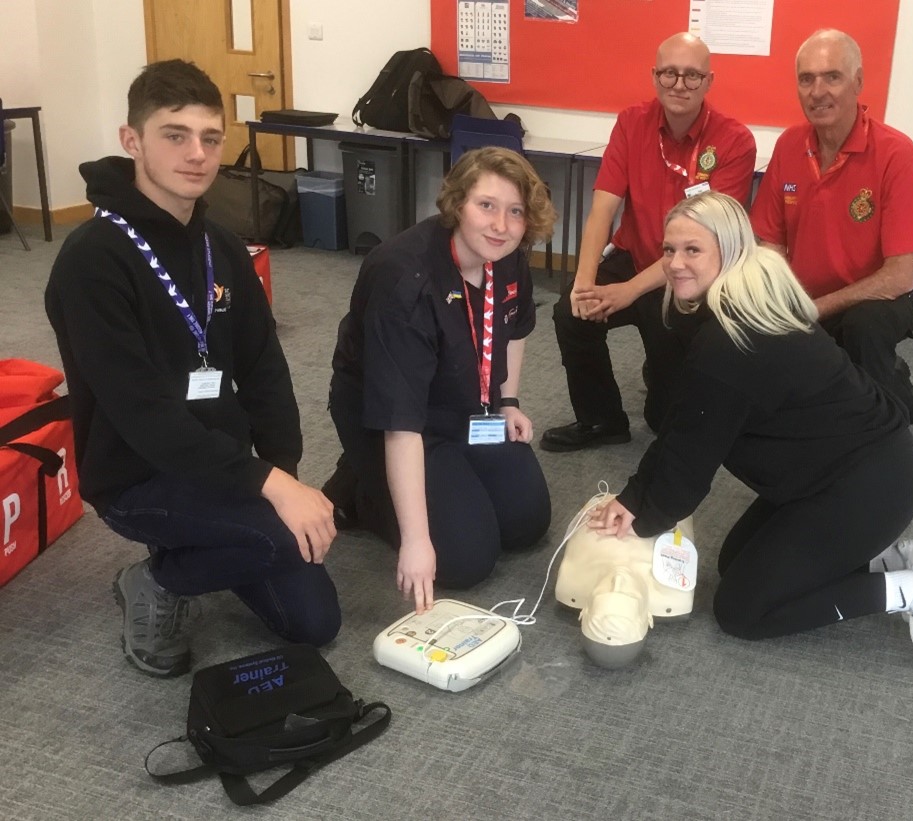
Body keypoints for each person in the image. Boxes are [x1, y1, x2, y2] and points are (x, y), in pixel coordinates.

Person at [45, 60, 340, 678]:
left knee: (314, 626)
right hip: (137, 477)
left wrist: (279, 472)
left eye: (210, 137)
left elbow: (265, 369)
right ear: (132, 142)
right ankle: (154, 579)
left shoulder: (222, 246)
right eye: (174, 135)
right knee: (281, 535)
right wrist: (272, 492)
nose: (197, 154)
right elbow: (144, 416)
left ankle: (216, 538)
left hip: (222, 466)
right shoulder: (93, 261)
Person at [589, 192, 913, 670]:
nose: (675, 263)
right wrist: (636, 494)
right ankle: (889, 558)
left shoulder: (731, 340)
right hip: (833, 475)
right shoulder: (747, 303)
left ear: (729, 251)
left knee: (743, 609)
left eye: (692, 250)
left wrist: (638, 514)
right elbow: (686, 426)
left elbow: (689, 458)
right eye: (668, 249)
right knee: (735, 565)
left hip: (867, 485)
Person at [324, 147, 556, 615]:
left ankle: (436, 481)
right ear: (456, 204)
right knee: (466, 559)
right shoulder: (404, 279)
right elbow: (401, 421)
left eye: (515, 212)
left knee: (527, 523)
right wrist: (415, 541)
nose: (501, 225)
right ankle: (361, 488)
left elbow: (514, 329)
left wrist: (507, 401)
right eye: (486, 206)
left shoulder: (507, 255)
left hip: (469, 404)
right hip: (392, 418)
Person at [541, 32, 756, 452]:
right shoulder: (631, 122)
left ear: (709, 81)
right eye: (669, 73)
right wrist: (585, 285)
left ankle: (662, 375)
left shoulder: (735, 141)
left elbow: (702, 242)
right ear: (654, 76)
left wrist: (628, 292)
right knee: (571, 312)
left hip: (688, 275)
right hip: (631, 256)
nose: (679, 84)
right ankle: (601, 420)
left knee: (665, 421)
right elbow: (603, 208)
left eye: (692, 75)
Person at [749, 29, 913, 424]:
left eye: (832, 76)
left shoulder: (896, 153)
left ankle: (884, 429)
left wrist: (812, 310)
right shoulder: (788, 145)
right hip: (807, 296)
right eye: (806, 79)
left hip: (877, 300)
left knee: (862, 330)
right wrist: (778, 300)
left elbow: (900, 276)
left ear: (858, 82)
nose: (818, 91)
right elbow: (770, 242)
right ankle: (890, 379)